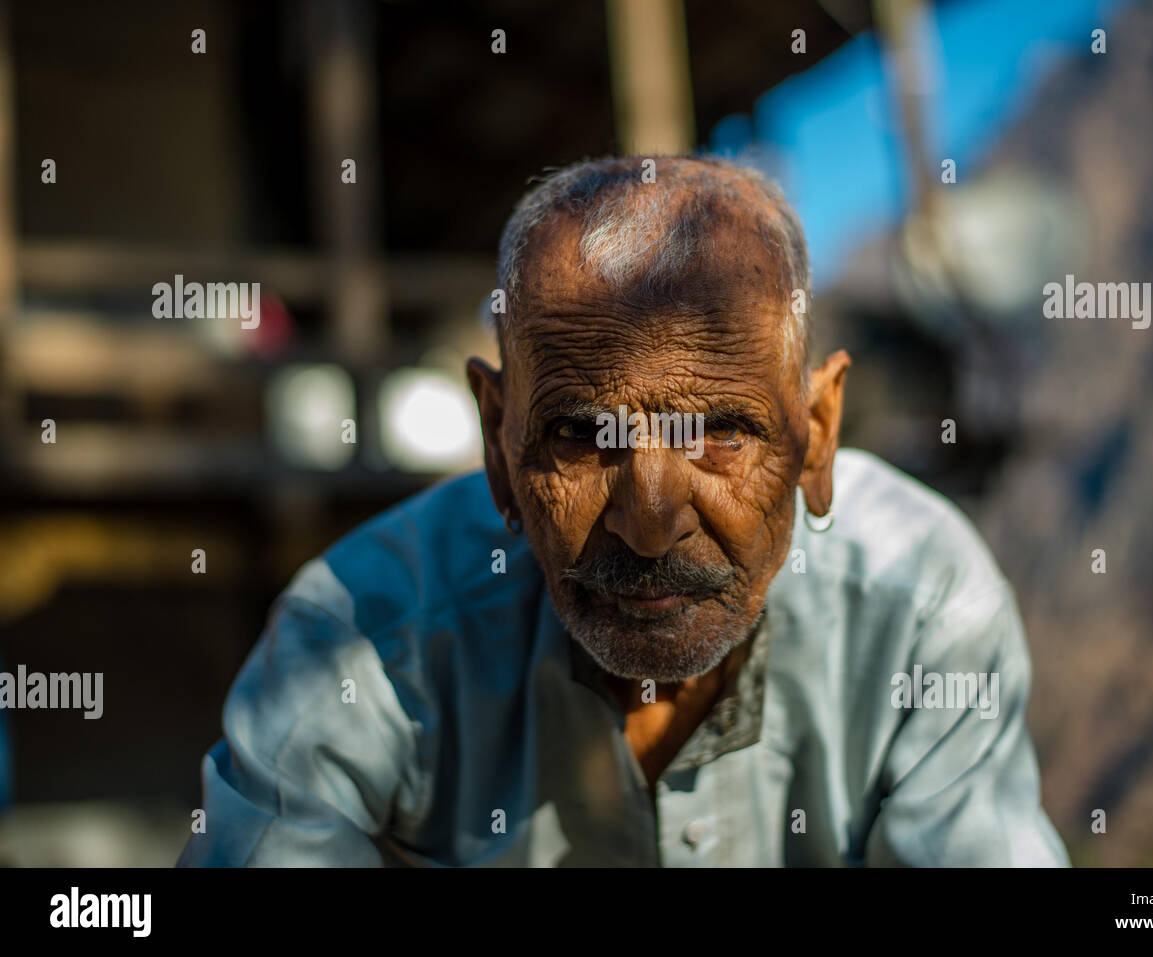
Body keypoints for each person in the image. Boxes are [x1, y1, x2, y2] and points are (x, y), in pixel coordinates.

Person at [179, 156, 1068, 866]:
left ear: (818, 433)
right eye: (579, 433)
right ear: (499, 438)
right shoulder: (356, 641)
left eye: (721, 431)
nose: (649, 521)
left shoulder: (922, 605)